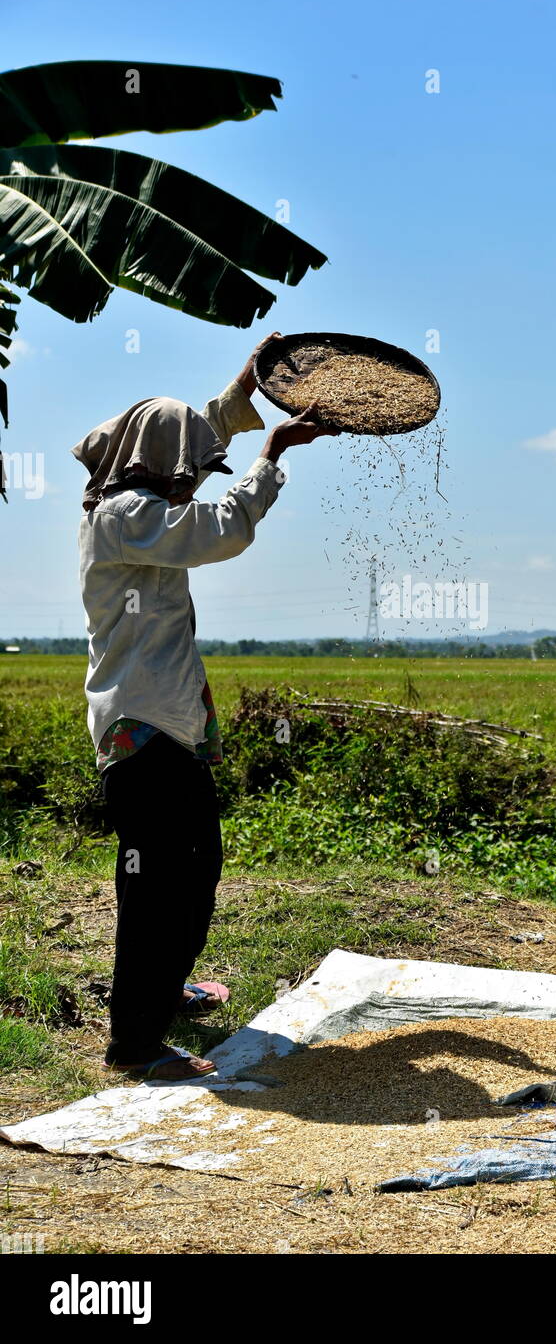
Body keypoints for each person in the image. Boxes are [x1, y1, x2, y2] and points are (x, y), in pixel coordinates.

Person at [72, 334, 332, 1080]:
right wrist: (271, 455)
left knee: (195, 866)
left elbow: (194, 439)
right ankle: (137, 1044)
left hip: (167, 725)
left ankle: (167, 990)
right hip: (142, 730)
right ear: (163, 470)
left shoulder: (131, 499)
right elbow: (222, 529)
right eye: (187, 471)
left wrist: (245, 383)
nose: (194, 482)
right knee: (155, 886)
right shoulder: (127, 516)